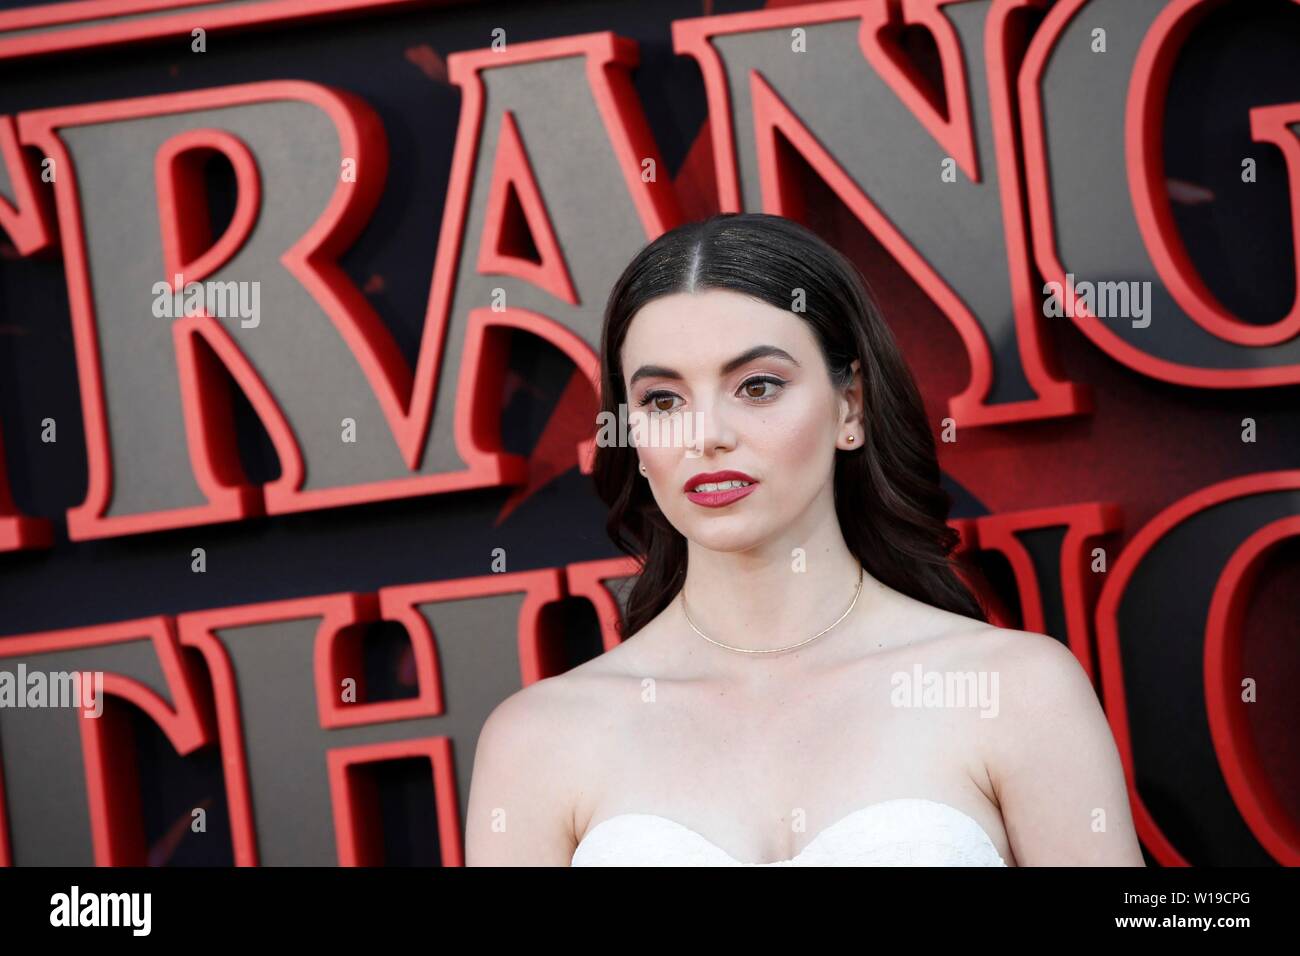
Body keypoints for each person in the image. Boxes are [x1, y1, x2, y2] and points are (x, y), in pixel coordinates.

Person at [464, 212, 1145, 866]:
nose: (707, 435)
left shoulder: (1013, 688)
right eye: (663, 401)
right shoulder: (539, 740)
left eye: (757, 386)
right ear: (632, 438)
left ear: (851, 407)